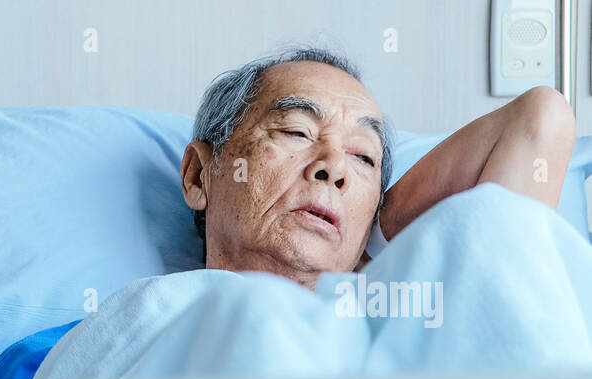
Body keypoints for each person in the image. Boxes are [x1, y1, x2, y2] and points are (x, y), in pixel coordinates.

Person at [181, 48, 577, 290]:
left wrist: (367, 246)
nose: (335, 169)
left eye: (363, 158)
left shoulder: (399, 323)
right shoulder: (150, 317)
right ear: (199, 176)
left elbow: (541, 117)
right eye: (296, 131)